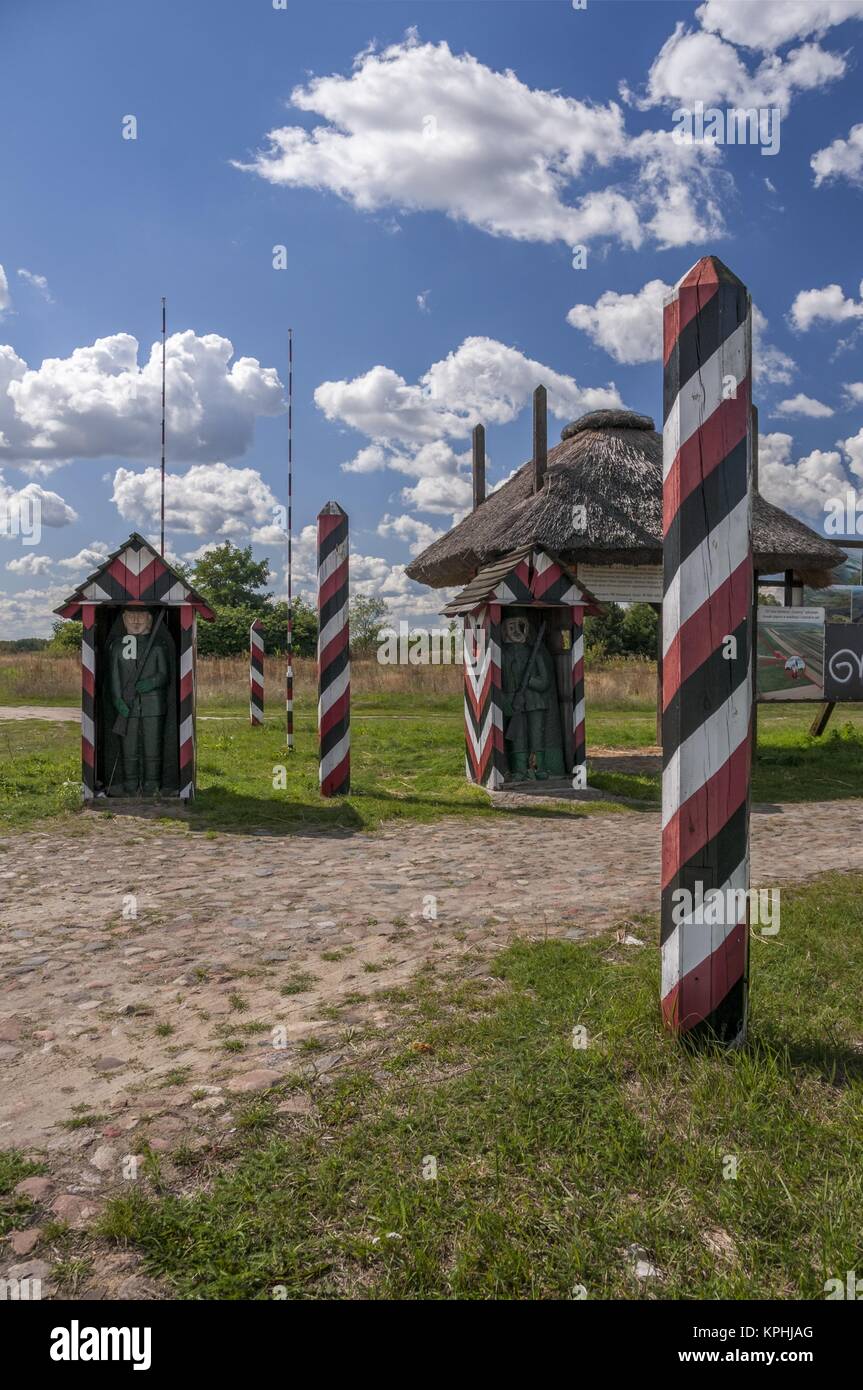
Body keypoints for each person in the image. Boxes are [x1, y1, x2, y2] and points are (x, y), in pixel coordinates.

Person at [108, 608, 170, 795]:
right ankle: (130, 783)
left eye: (141, 615)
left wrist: (151, 682)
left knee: (153, 747)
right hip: (128, 707)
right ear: (124, 620)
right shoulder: (118, 647)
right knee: (129, 748)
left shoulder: (158, 646)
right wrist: (118, 700)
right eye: (131, 616)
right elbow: (114, 677)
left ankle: (152, 784)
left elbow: (164, 675)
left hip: (153, 706)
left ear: (149, 620)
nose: (136, 620)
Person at [500, 613, 555, 779]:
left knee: (537, 735)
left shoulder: (535, 653)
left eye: (520, 626)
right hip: (514, 701)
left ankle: (539, 768)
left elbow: (545, 682)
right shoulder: (503, 655)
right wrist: (507, 700)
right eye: (511, 627)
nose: (516, 631)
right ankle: (519, 770)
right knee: (517, 736)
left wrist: (528, 680)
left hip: (535, 701)